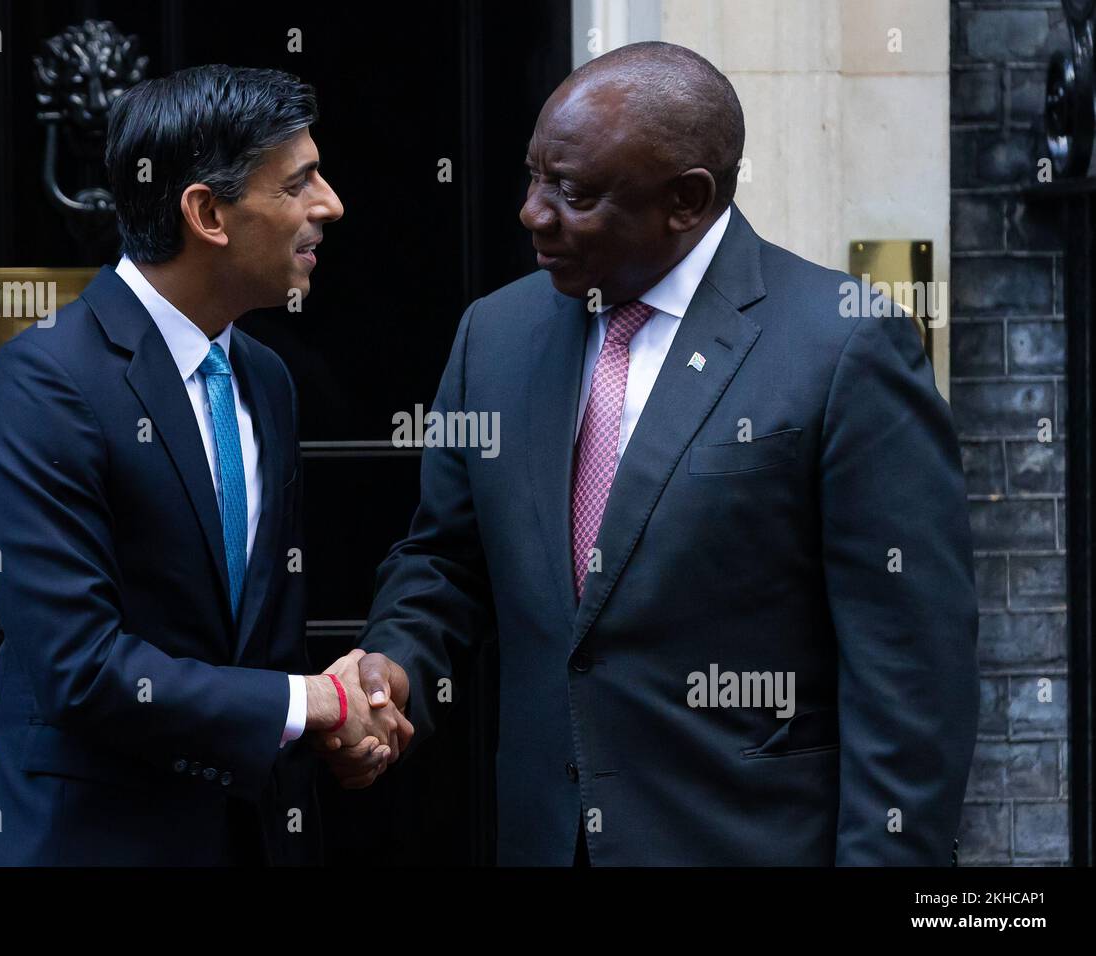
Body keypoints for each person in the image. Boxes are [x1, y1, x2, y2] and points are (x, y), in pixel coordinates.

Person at [321, 41, 979, 866]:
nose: (532, 212)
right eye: (533, 177)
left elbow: (911, 671)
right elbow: (447, 561)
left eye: (575, 192)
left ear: (687, 200)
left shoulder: (843, 346)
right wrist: (395, 670)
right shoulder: (495, 334)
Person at [0, 65, 410, 866]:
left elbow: (256, 640)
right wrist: (311, 703)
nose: (329, 204)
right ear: (207, 213)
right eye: (298, 183)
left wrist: (334, 721)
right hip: (91, 842)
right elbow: (80, 668)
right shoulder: (41, 385)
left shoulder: (266, 377)